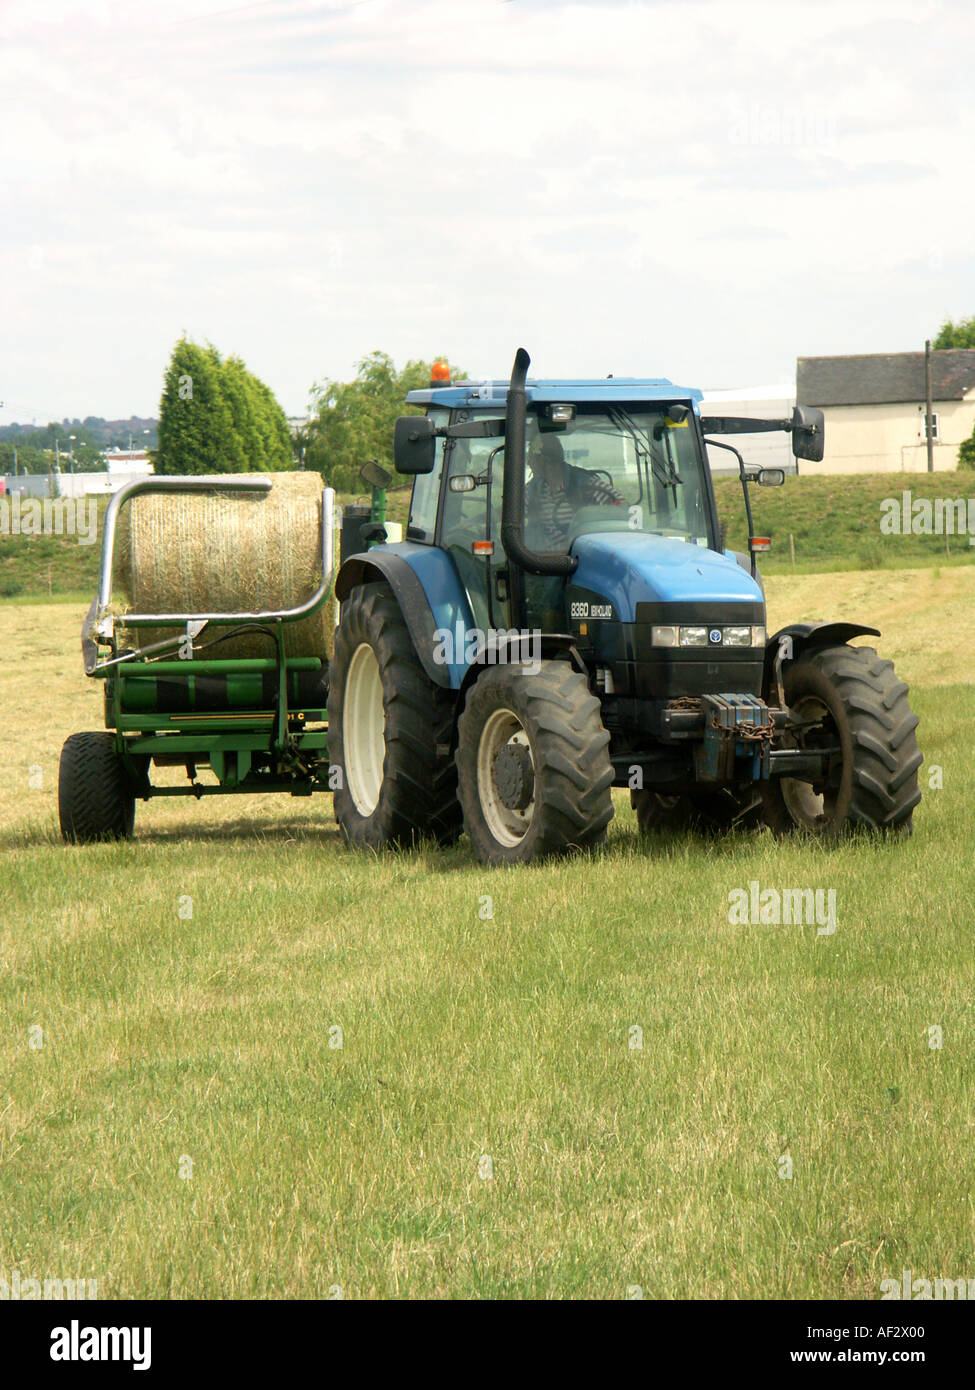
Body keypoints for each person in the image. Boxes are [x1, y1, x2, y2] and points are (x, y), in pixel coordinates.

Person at [525, 433, 623, 550]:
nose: (528, 463)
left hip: (580, 557)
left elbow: (622, 507)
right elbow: (513, 509)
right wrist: (497, 514)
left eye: (531, 458)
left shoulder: (585, 483)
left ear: (544, 461)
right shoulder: (535, 488)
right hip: (546, 561)